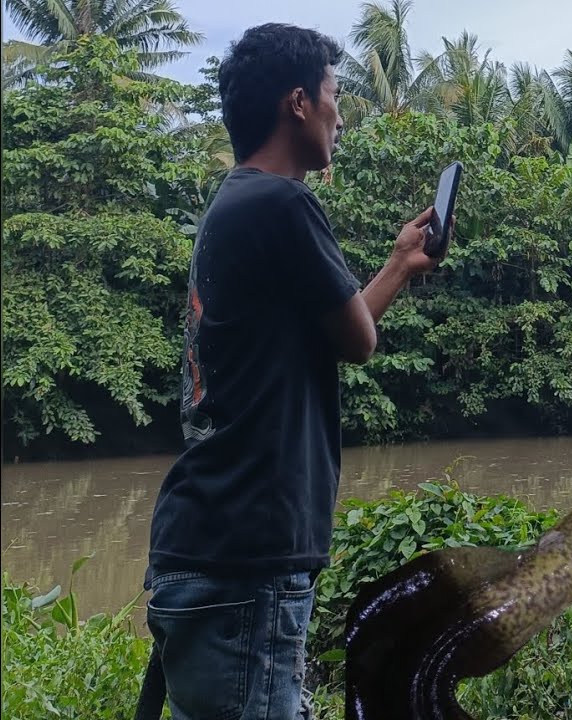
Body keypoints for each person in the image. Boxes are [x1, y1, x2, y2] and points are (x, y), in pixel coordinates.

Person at [136, 23, 450, 720]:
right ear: (300, 103)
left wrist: (399, 263)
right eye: (337, 95)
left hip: (211, 547)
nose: (342, 116)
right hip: (246, 563)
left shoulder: (234, 205)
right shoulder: (283, 204)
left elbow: (346, 336)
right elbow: (364, 344)